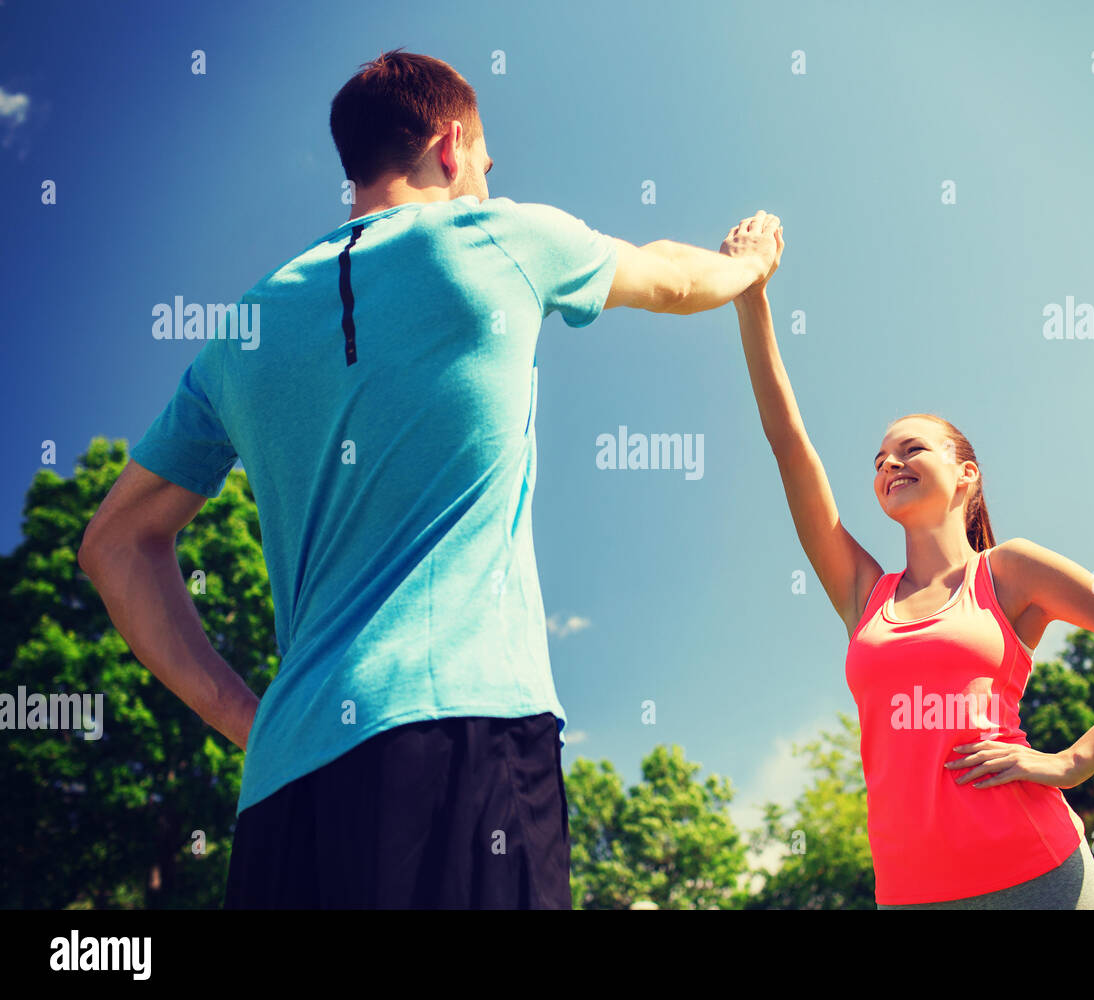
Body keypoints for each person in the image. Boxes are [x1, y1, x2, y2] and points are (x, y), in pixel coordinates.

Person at [76, 50, 780, 909]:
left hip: (287, 789)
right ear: (451, 146)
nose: (488, 177)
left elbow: (114, 546)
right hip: (464, 738)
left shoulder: (243, 330)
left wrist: (249, 721)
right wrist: (750, 262)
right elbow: (674, 276)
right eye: (485, 158)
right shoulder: (503, 238)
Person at [722, 212, 1094, 909]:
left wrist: (1070, 763)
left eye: (912, 449)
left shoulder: (1009, 572)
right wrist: (752, 296)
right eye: (880, 460)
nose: (891, 463)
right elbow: (788, 441)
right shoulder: (863, 591)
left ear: (967, 474)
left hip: (1039, 875)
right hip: (912, 893)